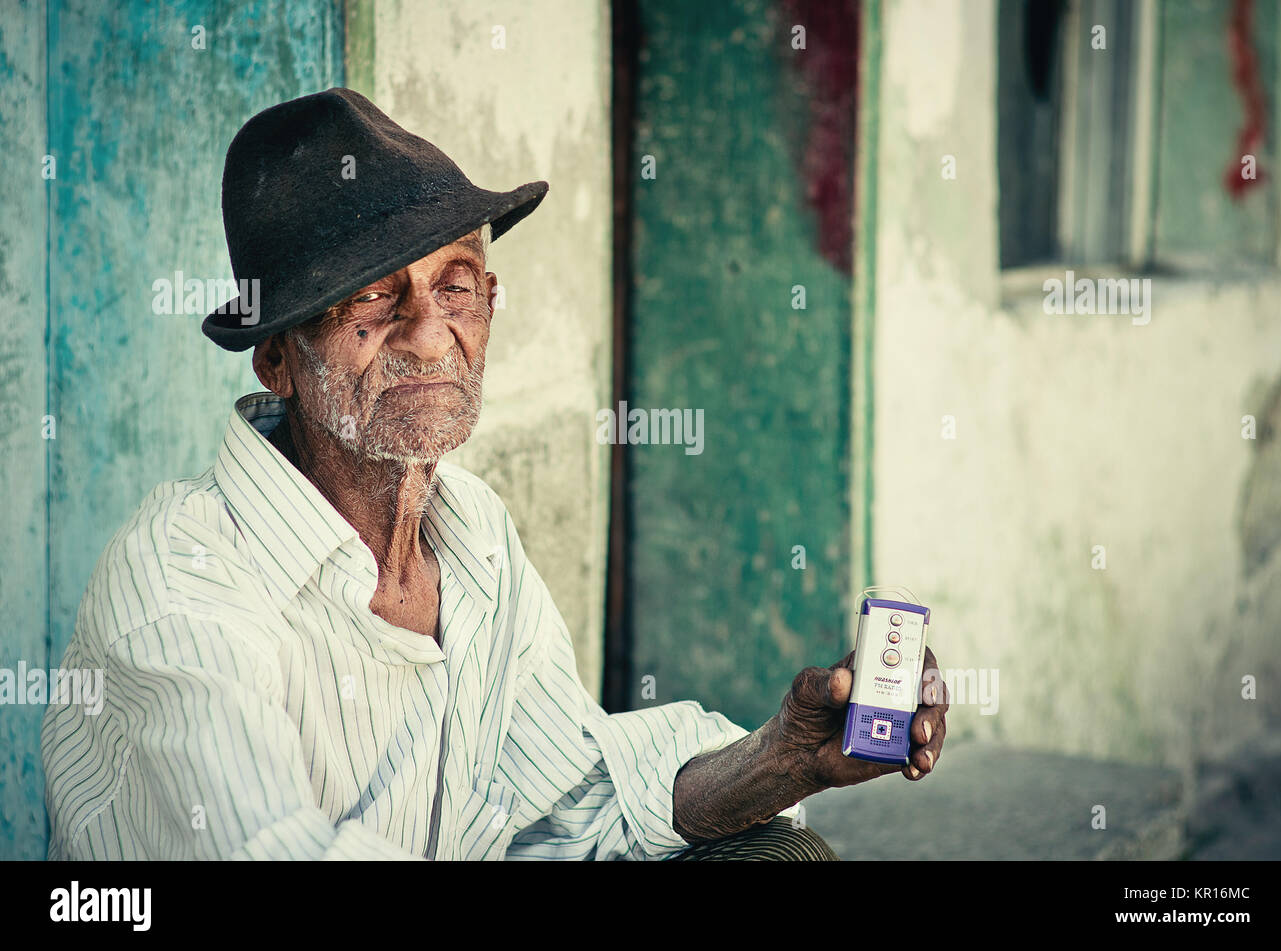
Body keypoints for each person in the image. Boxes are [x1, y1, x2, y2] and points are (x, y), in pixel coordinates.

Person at [41, 88, 947, 860]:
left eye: (458, 285)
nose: (432, 336)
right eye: (370, 297)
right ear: (277, 358)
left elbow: (573, 797)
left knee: (774, 852)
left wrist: (786, 756)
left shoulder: (469, 531)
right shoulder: (178, 581)